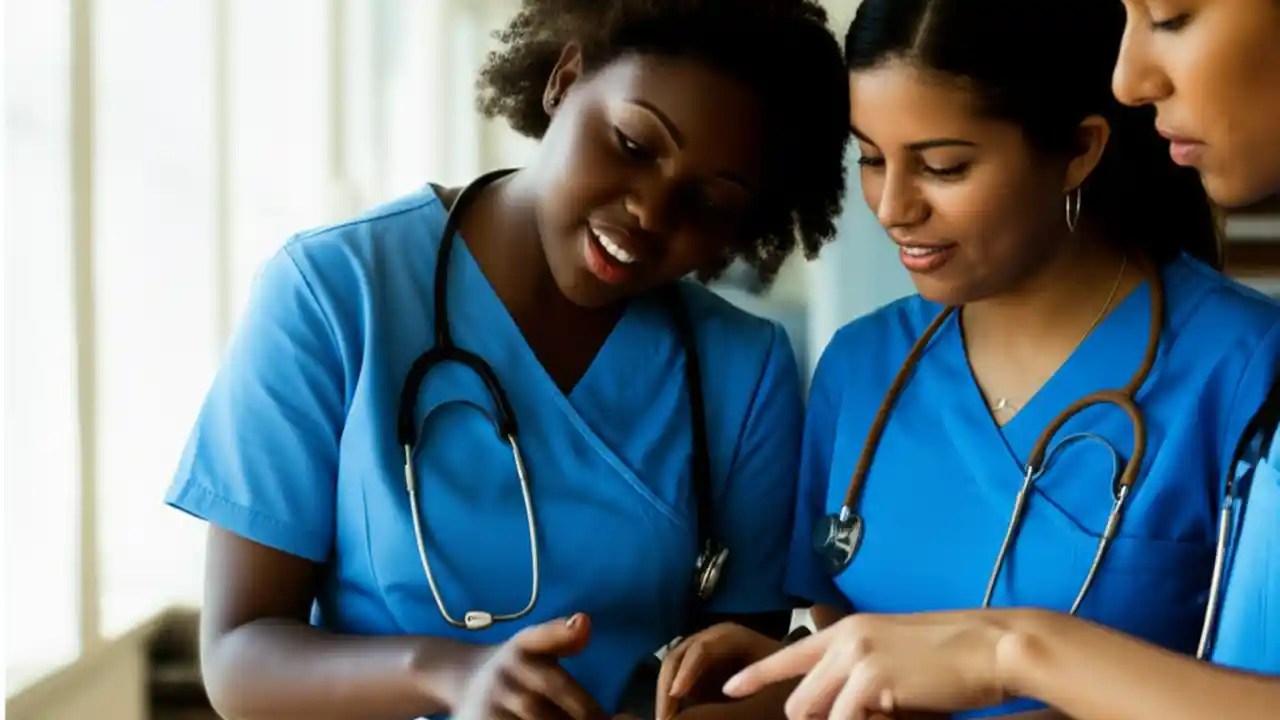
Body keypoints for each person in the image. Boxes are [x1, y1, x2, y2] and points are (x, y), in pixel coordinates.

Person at [163, 2, 851, 718]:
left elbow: (731, 677)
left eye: (707, 202)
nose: (649, 211)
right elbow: (239, 658)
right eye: (633, 144)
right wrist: (449, 675)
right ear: (565, 78)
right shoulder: (335, 292)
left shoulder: (744, 370)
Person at [656, 0, 1280, 718]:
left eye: (944, 167)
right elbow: (874, 681)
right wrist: (779, 685)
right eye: (869, 158)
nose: (892, 206)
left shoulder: (1245, 371)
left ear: (1079, 150)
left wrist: (1013, 655)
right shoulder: (861, 369)